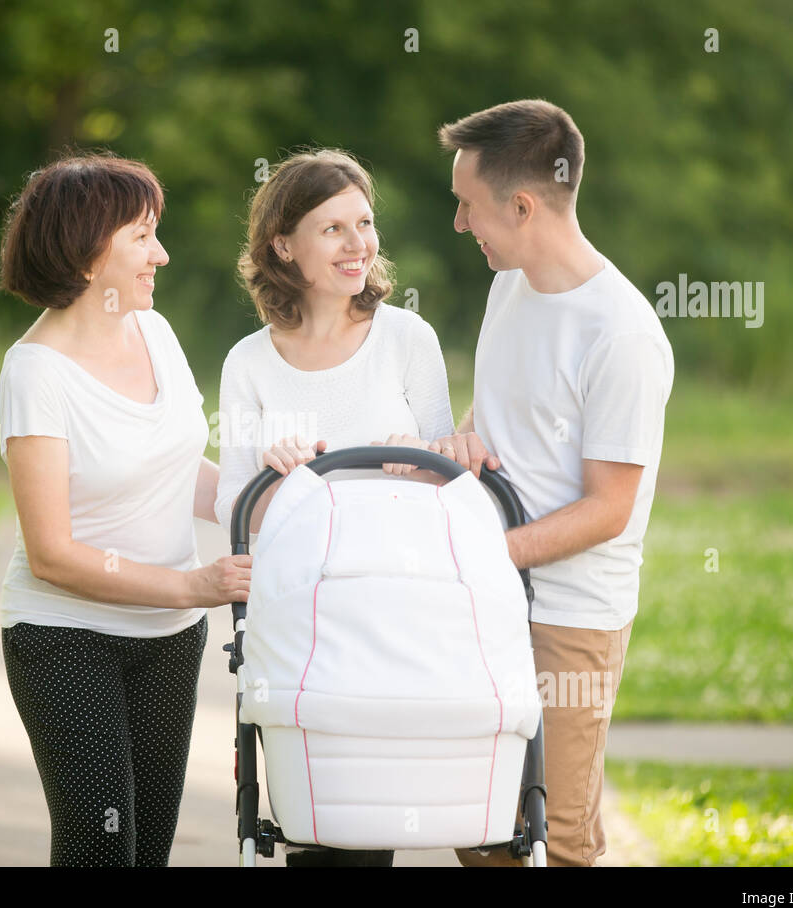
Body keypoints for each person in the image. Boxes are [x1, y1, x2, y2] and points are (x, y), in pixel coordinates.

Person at [387, 99, 674, 866]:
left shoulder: (621, 333)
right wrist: (447, 450)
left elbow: (610, 509)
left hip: (568, 620)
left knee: (553, 839)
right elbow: (498, 419)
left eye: (467, 205)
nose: (458, 224)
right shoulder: (508, 286)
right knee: (475, 825)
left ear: (521, 205)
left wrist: (487, 554)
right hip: (484, 597)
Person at [0, 151, 252, 866]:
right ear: (84, 252)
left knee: (147, 853)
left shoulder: (155, 333)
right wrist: (191, 586)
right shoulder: (36, 373)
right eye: (141, 236)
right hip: (67, 640)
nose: (160, 255)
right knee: (100, 852)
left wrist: (265, 498)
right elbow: (51, 554)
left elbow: (176, 468)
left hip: (170, 639)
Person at [214, 148, 456, 866]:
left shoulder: (408, 340)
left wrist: (417, 458)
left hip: (394, 613)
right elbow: (233, 507)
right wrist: (270, 473)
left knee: (368, 824)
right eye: (333, 229)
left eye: (365, 223)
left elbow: (452, 488)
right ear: (282, 245)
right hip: (298, 622)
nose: (359, 245)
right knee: (312, 825)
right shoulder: (248, 363)